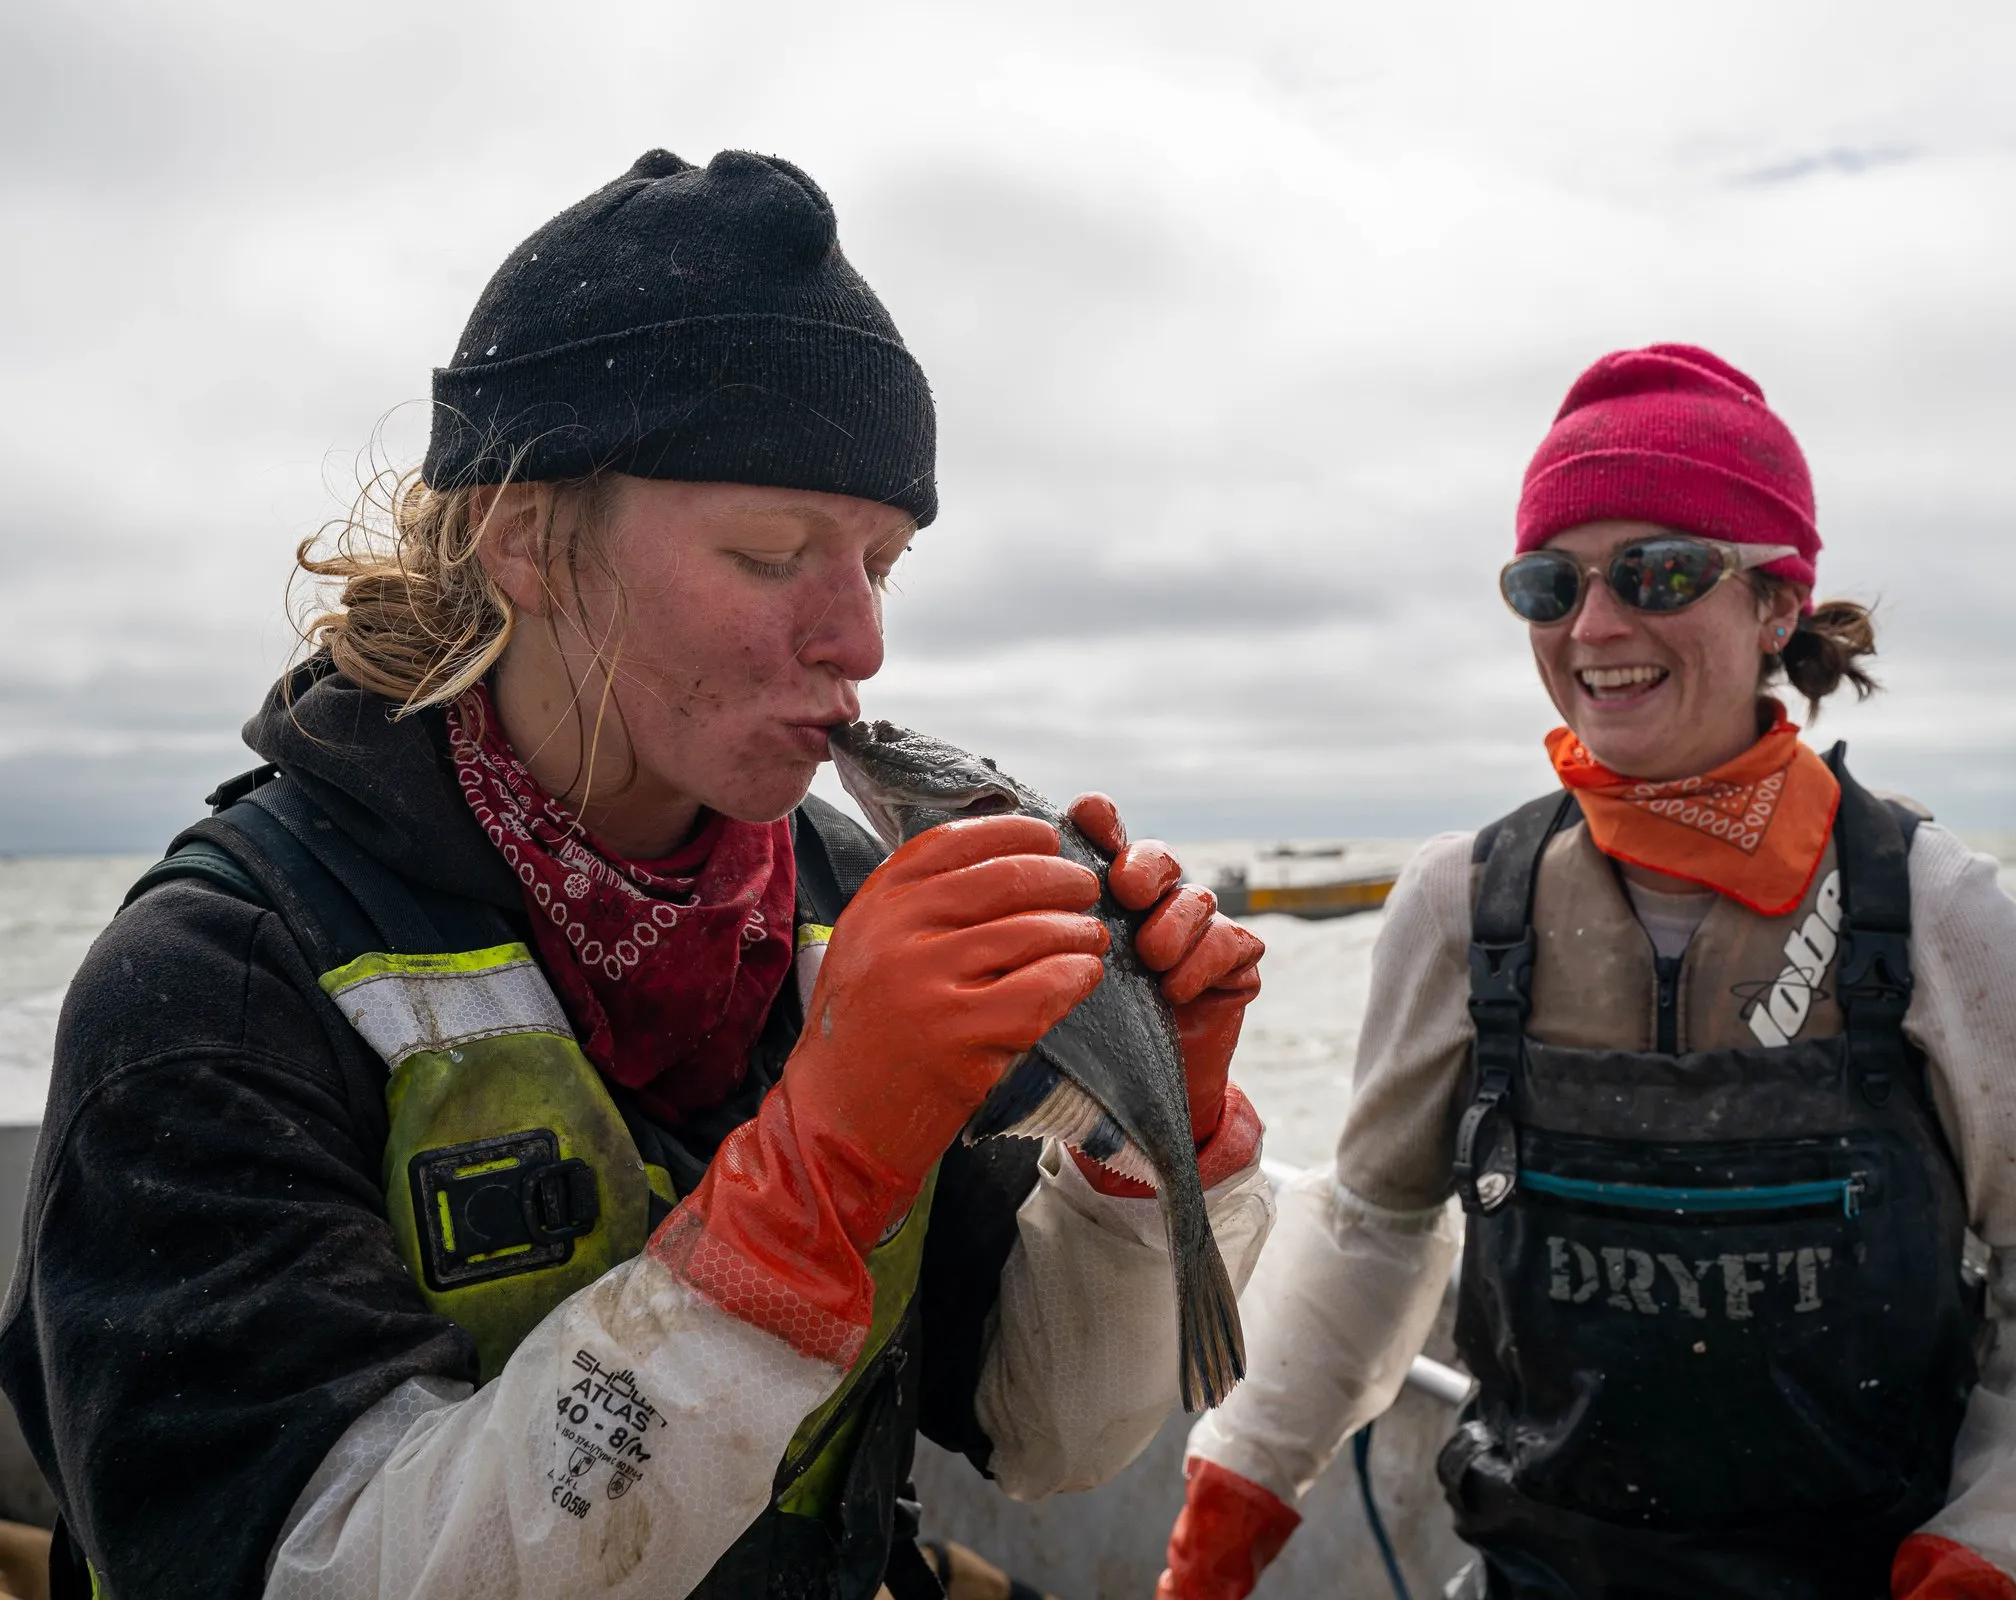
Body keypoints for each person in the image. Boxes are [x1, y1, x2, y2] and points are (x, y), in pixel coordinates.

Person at [0, 149, 1275, 1600]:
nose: (860, 642)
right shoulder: (217, 985)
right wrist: (802, 1194)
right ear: (527, 535)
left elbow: (1040, 1429)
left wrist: (1138, 1151)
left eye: (884, 562)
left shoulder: (846, 902)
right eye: (772, 551)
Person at [1155, 345, 2016, 1600]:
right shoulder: (1461, 902)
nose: (1595, 625)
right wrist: (1236, 1493)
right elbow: (1372, 1230)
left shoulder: (1931, 905)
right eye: (1550, 582)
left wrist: (1998, 1555)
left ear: (1777, 607)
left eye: (1660, 570)